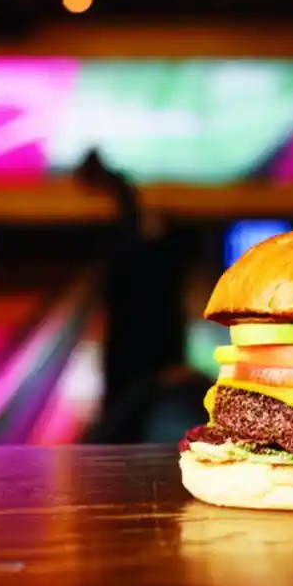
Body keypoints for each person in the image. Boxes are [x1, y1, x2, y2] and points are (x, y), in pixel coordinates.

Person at [74, 148, 189, 442]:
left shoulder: (134, 248)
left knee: (126, 424)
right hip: (140, 351)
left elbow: (164, 306)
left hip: (139, 352)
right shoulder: (146, 243)